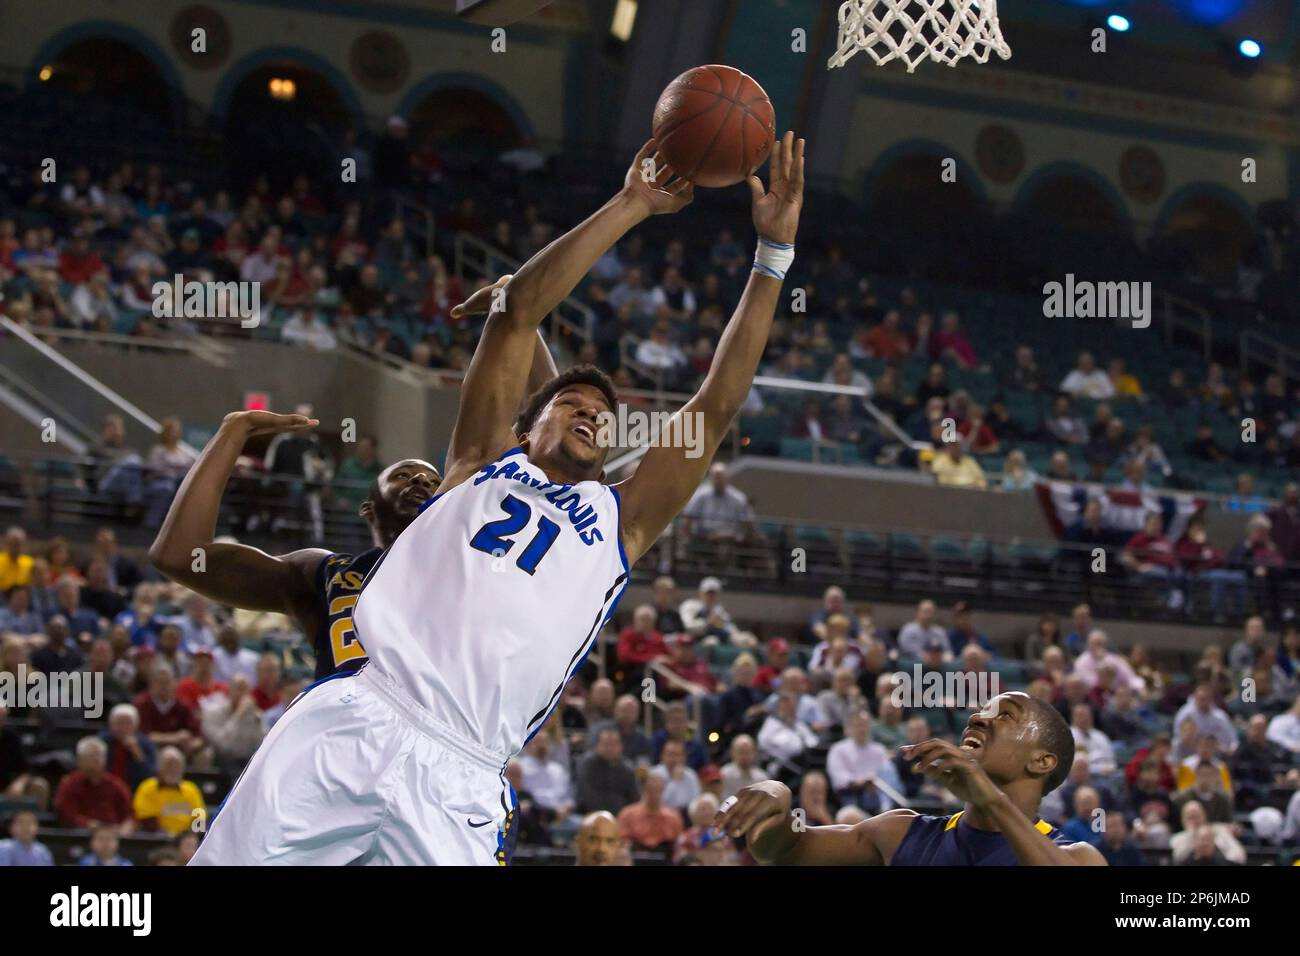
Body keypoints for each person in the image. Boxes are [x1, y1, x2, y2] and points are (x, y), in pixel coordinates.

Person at [191, 134, 806, 865]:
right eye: (572, 401)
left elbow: (717, 401)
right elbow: (516, 312)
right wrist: (632, 203)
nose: (591, 413)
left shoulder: (624, 520)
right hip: (359, 714)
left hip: (464, 774)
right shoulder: (480, 461)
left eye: (604, 415)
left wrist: (771, 259)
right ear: (526, 422)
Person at [150, 302, 557, 682]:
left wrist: (522, 310)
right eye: (402, 476)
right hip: (342, 745)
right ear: (368, 507)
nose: (421, 481)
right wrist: (232, 432)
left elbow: (556, 455)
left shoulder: (476, 562)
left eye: (433, 480)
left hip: (442, 747)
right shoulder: (325, 575)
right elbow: (180, 557)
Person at [718, 692, 1106, 865]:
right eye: (981, 710)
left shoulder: (1078, 857)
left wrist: (990, 799)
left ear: (1041, 762)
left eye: (1006, 715)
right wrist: (776, 797)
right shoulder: (902, 833)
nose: (977, 718)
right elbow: (782, 852)